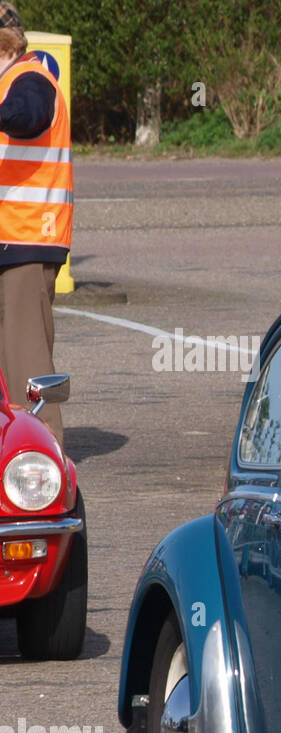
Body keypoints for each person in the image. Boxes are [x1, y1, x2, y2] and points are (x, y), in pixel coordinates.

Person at [0, 3, 73, 447]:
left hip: (27, 240)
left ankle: (42, 455)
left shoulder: (30, 80)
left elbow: (26, 117)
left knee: (25, 363)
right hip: (14, 241)